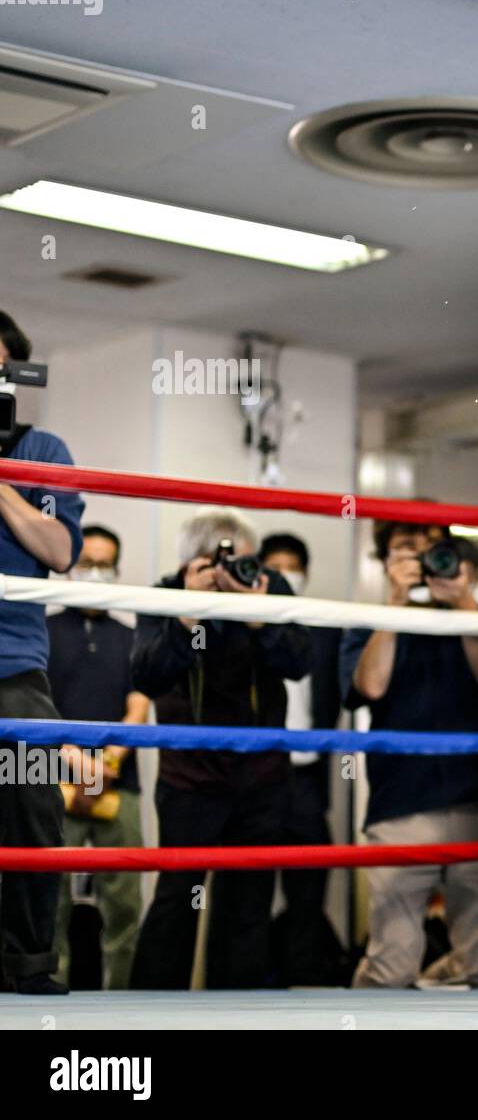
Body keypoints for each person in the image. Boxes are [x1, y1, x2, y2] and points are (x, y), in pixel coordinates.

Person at [129, 509, 311, 989]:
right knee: (177, 898)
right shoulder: (167, 593)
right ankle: (148, 1016)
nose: (233, 570)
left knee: (250, 902)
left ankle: (239, 1015)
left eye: (242, 559)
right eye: (220, 561)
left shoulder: (266, 585)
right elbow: (145, 674)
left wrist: (259, 617)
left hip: (262, 773)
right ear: (194, 561)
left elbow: (300, 660)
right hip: (191, 775)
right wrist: (188, 614)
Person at [343, 521, 478, 989]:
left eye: (435, 550)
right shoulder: (365, 621)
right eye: (407, 550)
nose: (424, 560)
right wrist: (395, 605)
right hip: (399, 804)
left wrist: (466, 605)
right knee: (392, 963)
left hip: (476, 804)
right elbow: (369, 685)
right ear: (386, 561)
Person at [0, 309, 86, 996]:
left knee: (31, 801)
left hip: (12, 664)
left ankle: (27, 965)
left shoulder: (43, 451)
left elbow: (58, 550)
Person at [47, 524, 150, 989]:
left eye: (105, 564)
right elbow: (34, 706)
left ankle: (121, 1002)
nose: (95, 573)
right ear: (68, 566)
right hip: (49, 778)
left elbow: (139, 703)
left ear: (119, 570)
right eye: (86, 562)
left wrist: (106, 764)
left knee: (125, 903)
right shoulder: (41, 631)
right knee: (49, 902)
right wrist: (76, 761)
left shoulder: (134, 636)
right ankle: (46, 1000)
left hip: (118, 780)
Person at [257, 532, 345, 986]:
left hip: (309, 773)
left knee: (309, 885)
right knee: (249, 885)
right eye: (276, 566)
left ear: (305, 575)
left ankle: (304, 978)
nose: (285, 574)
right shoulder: (247, 619)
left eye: (293, 567)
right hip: (256, 772)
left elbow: (342, 692)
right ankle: (245, 982)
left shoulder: (325, 625)